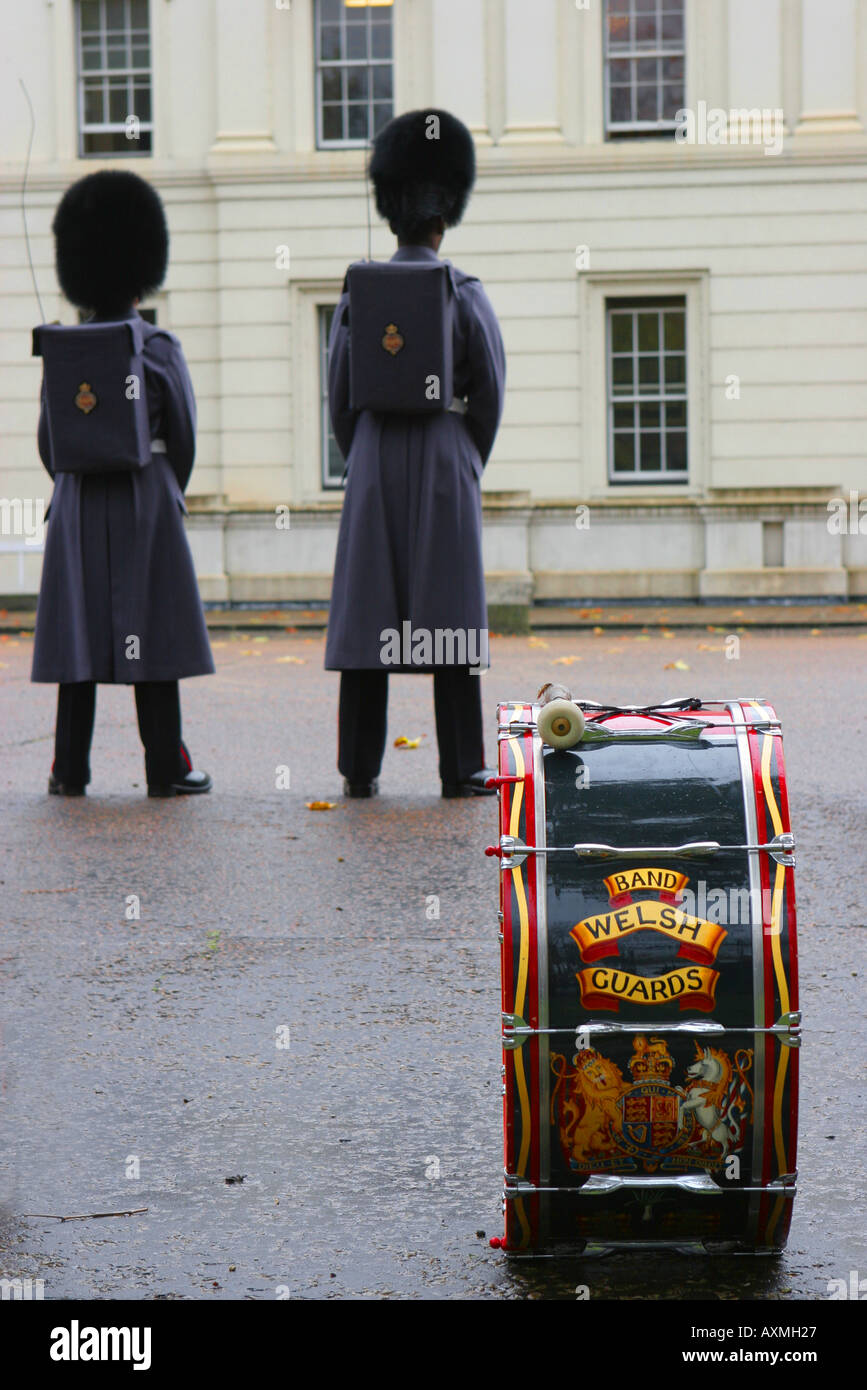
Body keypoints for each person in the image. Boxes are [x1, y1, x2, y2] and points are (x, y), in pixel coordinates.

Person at [325, 109, 506, 799]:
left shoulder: (355, 295)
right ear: (444, 215)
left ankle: (359, 769)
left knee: (370, 617)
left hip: (371, 457)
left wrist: (366, 451)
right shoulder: (464, 291)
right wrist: (461, 457)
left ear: (392, 211)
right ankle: (460, 768)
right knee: (450, 617)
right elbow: (488, 391)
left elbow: (339, 395)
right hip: (443, 453)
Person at [31, 170, 214, 797]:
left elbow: (49, 443)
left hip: (79, 499)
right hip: (147, 496)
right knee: (153, 638)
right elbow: (184, 435)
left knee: (77, 643)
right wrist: (166, 486)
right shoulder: (157, 346)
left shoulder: (64, 351)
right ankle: (166, 763)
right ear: (144, 269)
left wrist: (77, 477)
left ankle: (68, 769)